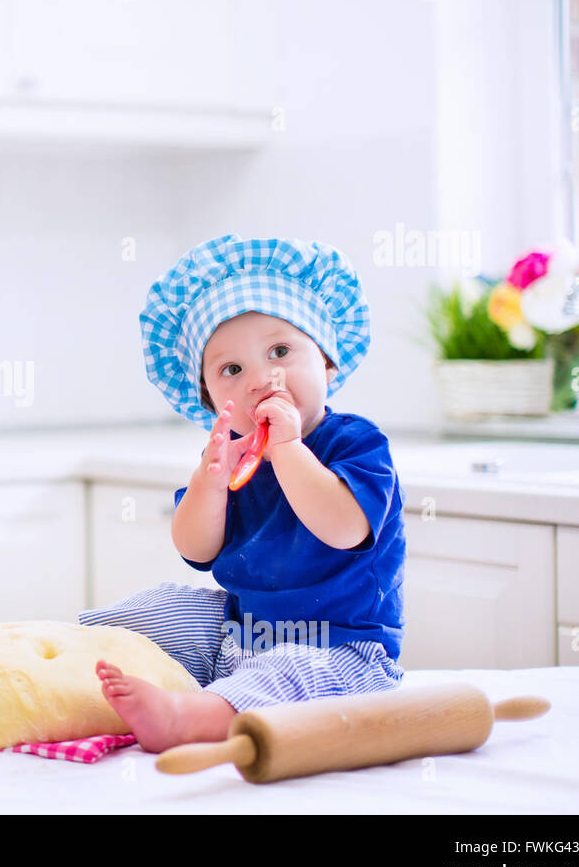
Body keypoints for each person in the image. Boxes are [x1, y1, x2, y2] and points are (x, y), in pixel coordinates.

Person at [80, 234, 406, 753]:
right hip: (241, 634)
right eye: (232, 369)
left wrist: (289, 448)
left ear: (326, 361)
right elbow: (196, 548)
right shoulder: (231, 454)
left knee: (287, 668)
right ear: (210, 397)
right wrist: (210, 481)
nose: (259, 378)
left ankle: (189, 718)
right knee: (165, 605)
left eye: (280, 351)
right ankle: (62, 653)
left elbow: (344, 527)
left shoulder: (356, 442)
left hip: (340, 649)